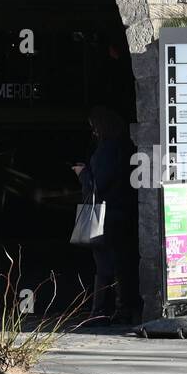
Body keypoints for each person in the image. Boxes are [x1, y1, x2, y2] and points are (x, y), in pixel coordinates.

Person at [72, 106, 140, 324]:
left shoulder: (106, 150)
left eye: (93, 127)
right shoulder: (126, 147)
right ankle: (123, 307)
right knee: (121, 262)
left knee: (103, 265)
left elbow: (98, 184)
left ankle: (101, 311)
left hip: (106, 214)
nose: (93, 132)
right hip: (124, 212)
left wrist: (82, 174)